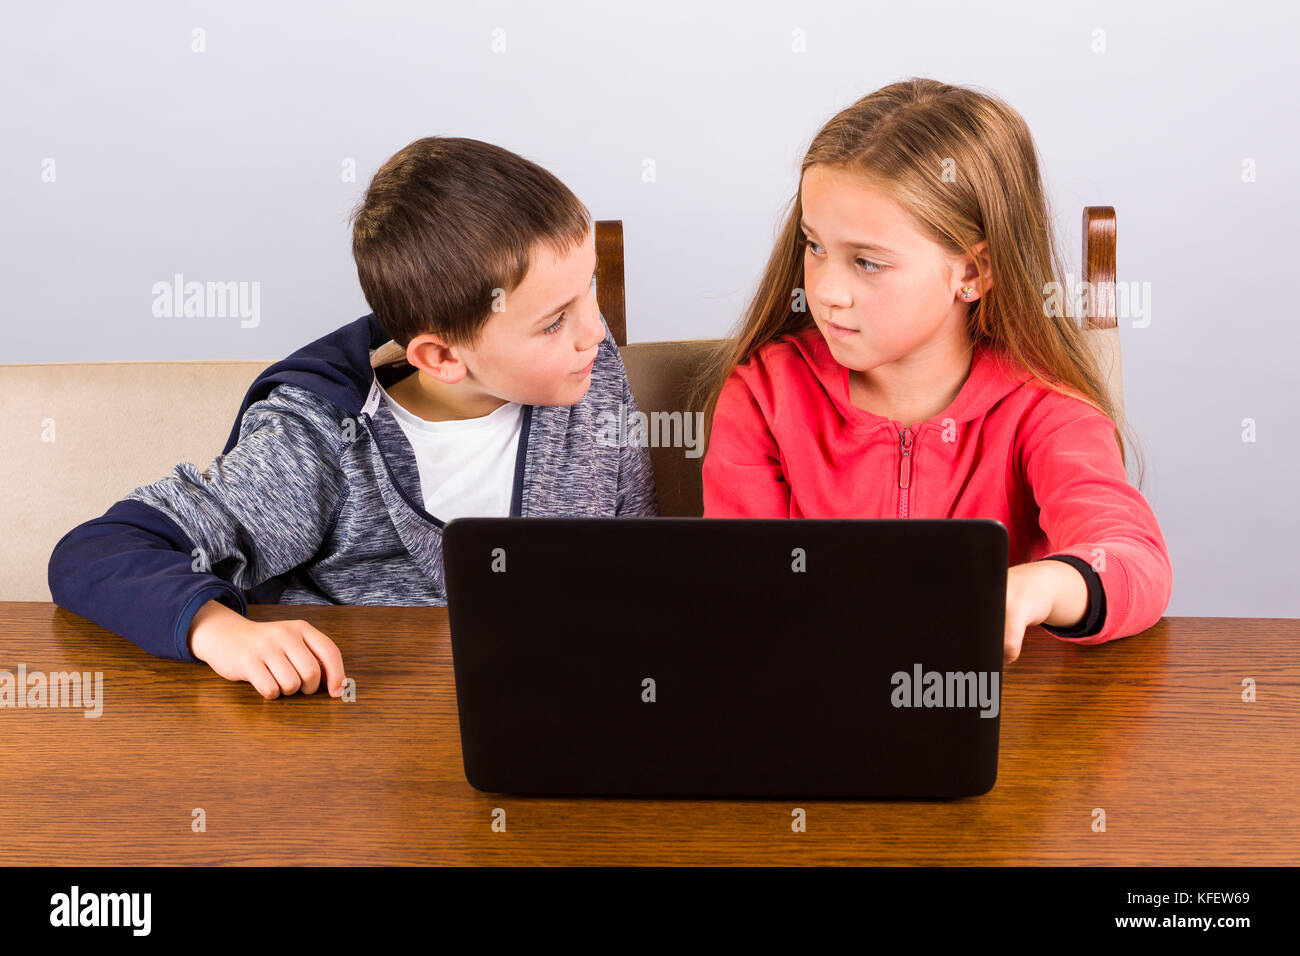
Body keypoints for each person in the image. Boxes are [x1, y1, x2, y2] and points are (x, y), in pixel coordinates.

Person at [49, 137, 659, 698]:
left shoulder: (590, 370)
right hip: (361, 739)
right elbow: (96, 552)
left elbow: (645, 560)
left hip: (561, 713)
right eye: (554, 322)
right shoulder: (318, 436)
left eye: (593, 288)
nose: (596, 331)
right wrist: (218, 630)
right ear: (441, 356)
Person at [696, 78, 1173, 665]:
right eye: (814, 246)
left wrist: (1042, 586)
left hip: (996, 730)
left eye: (867, 262)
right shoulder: (765, 396)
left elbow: (1135, 559)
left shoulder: (1043, 409)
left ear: (971, 272)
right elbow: (739, 592)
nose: (824, 290)